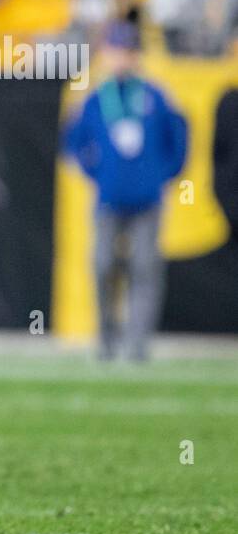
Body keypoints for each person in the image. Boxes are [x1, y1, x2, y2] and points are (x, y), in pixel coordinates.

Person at [65, 21, 187, 361]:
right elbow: (73, 145)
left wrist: (162, 175)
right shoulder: (93, 99)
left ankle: (137, 344)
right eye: (115, 51)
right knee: (103, 265)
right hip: (108, 198)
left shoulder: (155, 95)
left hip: (147, 200)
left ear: (136, 56)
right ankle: (106, 339)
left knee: (145, 268)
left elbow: (178, 139)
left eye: (127, 52)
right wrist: (98, 174)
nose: (121, 58)